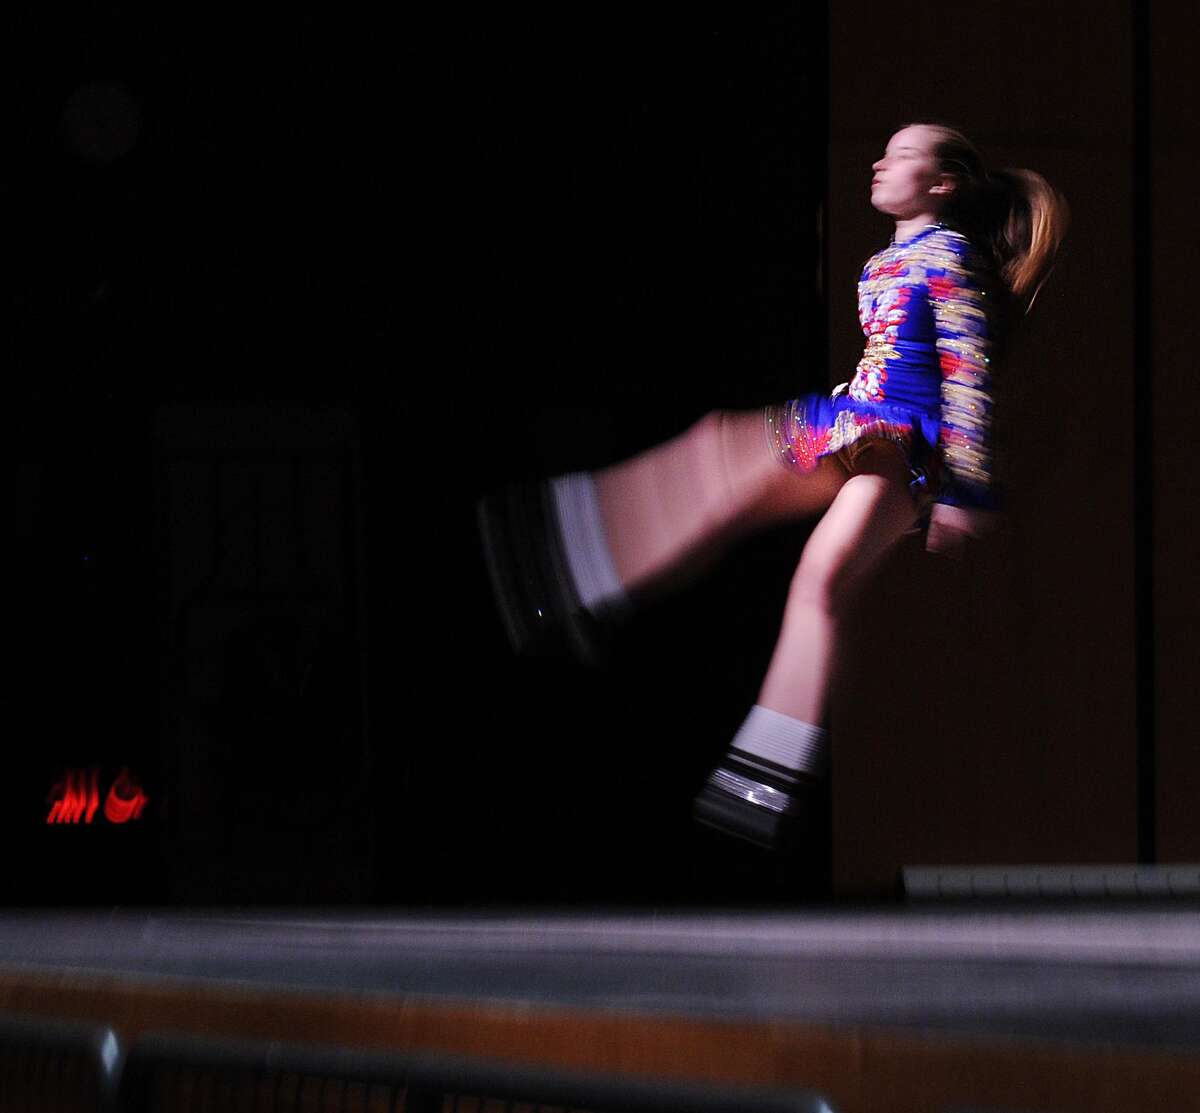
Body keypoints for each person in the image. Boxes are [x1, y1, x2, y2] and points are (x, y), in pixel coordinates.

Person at [477, 120, 1068, 854]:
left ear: (941, 185)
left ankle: (752, 751)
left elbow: (966, 376)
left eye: (903, 155)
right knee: (755, 504)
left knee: (789, 541)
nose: (880, 162)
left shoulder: (947, 256)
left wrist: (967, 490)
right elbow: (890, 351)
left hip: (893, 442)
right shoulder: (889, 258)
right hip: (857, 420)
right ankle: (595, 574)